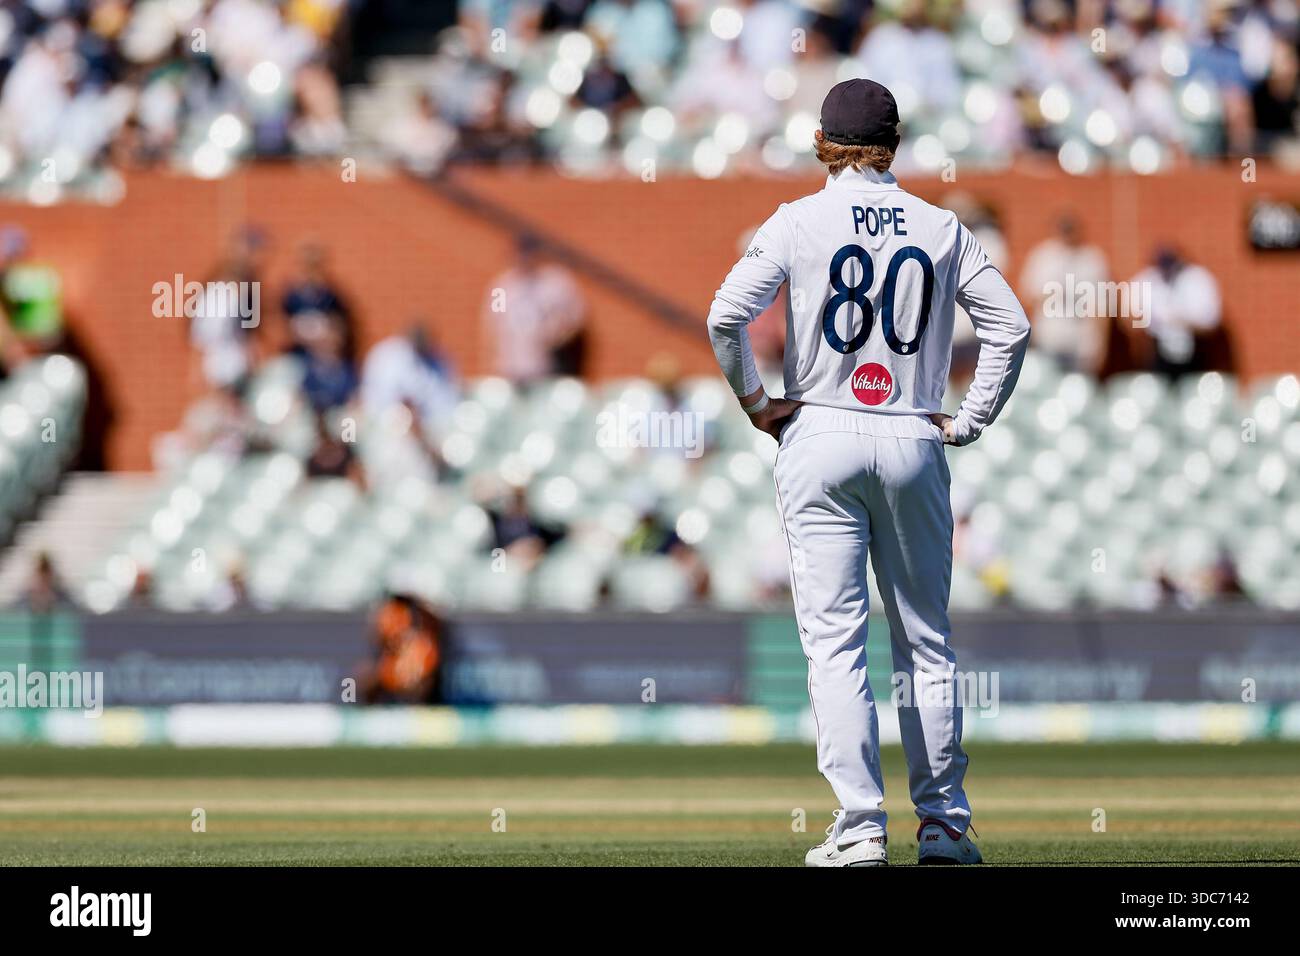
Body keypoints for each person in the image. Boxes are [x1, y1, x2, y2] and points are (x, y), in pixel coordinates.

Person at [705, 79, 1029, 866]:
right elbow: (1010, 327)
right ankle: (946, 826)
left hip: (818, 427)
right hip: (914, 432)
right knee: (925, 639)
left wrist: (756, 400)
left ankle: (858, 829)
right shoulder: (940, 225)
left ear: (823, 144)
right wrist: (970, 417)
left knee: (835, 644)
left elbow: (724, 316)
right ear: (894, 143)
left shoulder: (797, 220)